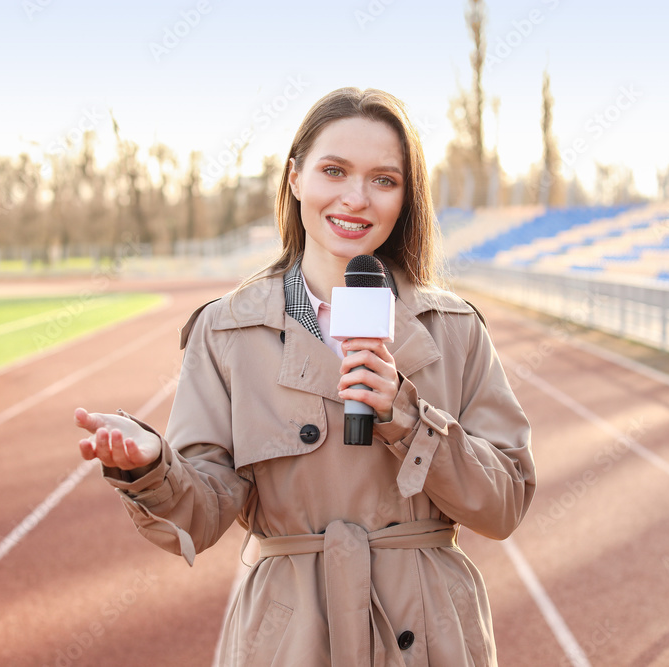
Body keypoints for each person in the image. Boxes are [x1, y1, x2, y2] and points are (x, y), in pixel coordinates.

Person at [74, 87, 535, 666]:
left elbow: (506, 503)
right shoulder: (227, 332)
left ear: (406, 197)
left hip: (429, 631)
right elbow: (202, 512)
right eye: (334, 171)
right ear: (295, 178)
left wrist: (408, 418)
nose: (356, 199)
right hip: (289, 639)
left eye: (383, 180)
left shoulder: (455, 330)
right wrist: (148, 467)